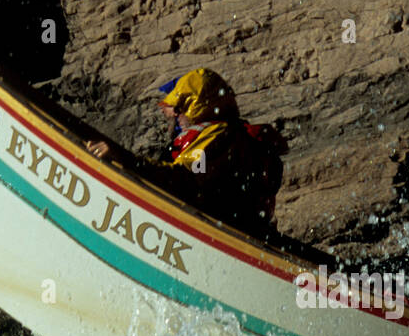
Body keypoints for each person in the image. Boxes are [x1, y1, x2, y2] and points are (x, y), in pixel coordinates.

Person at [86, 68, 286, 235]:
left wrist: (126, 159)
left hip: (215, 236)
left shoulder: (221, 136)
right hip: (228, 233)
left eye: (181, 107)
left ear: (199, 107)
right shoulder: (227, 135)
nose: (173, 114)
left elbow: (185, 179)